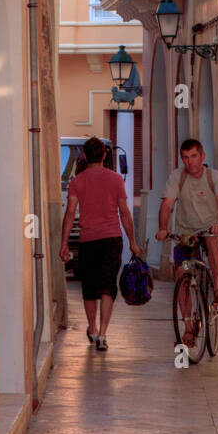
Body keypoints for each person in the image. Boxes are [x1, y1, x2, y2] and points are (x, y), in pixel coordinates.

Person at [59, 136, 142, 352]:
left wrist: (64, 243)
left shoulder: (77, 181)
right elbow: (124, 213)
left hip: (87, 240)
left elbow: (69, 214)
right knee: (107, 286)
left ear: (85, 156)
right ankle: (104, 334)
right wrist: (133, 242)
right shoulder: (116, 179)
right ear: (105, 155)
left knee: (89, 287)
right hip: (111, 239)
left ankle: (93, 329)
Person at [156, 139, 218, 344]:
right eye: (185, 157)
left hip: (210, 229)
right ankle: (189, 327)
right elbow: (167, 205)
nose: (189, 162)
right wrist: (163, 228)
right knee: (182, 274)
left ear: (202, 156)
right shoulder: (177, 177)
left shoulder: (214, 177)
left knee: (210, 242)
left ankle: (217, 288)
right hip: (186, 233)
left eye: (194, 156)